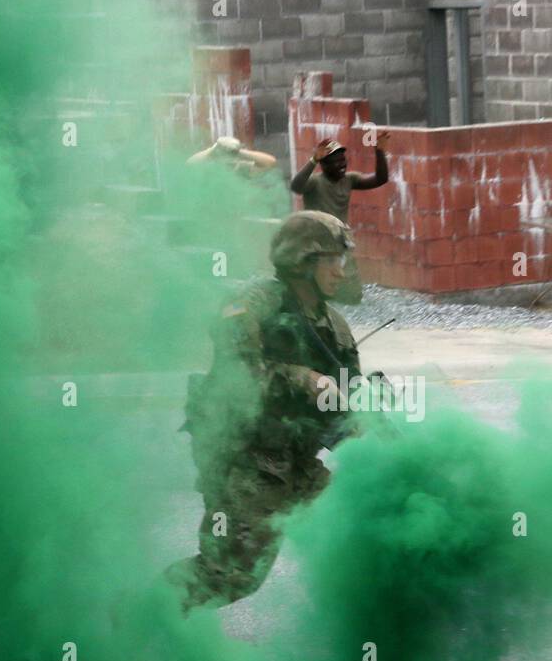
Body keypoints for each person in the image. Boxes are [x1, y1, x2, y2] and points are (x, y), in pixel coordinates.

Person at [166, 211, 362, 610]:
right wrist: (301, 378)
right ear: (303, 262)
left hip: (297, 460)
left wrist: (367, 430)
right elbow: (236, 379)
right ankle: (146, 614)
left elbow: (344, 400)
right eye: (332, 261)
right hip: (245, 454)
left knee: (363, 530)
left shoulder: (334, 327)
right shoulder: (254, 305)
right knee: (229, 575)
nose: (341, 272)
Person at [288, 133, 391, 304]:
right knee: (317, 285)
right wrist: (313, 160)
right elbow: (296, 186)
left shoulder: (349, 180)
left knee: (352, 295)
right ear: (324, 166)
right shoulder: (315, 182)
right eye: (336, 161)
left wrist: (379, 152)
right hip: (318, 242)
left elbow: (380, 179)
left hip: (340, 240)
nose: (342, 165)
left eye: (343, 160)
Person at [186, 135, 277, 176]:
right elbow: (189, 165)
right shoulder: (208, 168)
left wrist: (238, 152)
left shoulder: (237, 168)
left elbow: (270, 162)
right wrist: (213, 151)